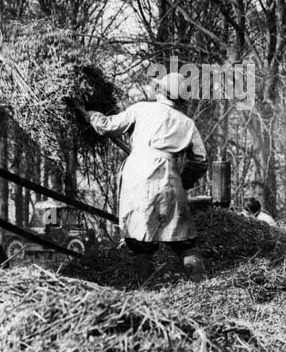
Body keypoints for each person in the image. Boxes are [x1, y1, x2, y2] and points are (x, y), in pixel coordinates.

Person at [76, 72, 208, 283]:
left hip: (137, 176)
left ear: (161, 91)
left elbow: (107, 126)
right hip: (169, 178)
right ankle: (204, 286)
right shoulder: (187, 123)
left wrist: (89, 114)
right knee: (183, 241)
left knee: (141, 243)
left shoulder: (141, 109)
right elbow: (200, 162)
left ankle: (146, 293)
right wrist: (183, 182)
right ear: (181, 98)